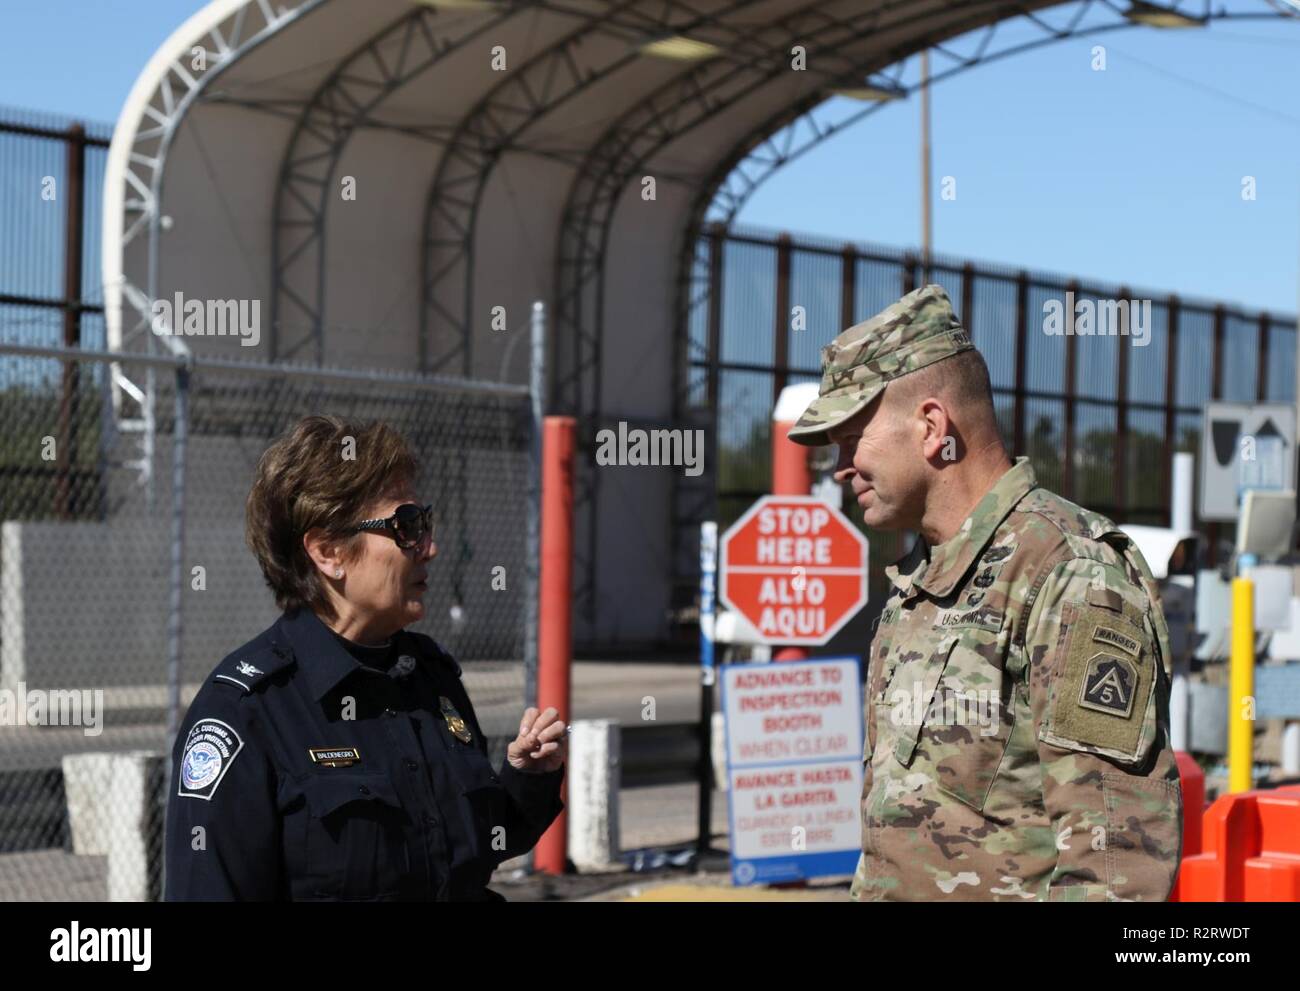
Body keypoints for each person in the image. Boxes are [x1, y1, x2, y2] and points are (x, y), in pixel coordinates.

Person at [787, 285, 1182, 901]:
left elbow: (1116, 864)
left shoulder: (1070, 573)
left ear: (931, 426)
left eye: (853, 436)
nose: (840, 466)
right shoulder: (921, 583)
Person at [164, 415, 565, 901]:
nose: (430, 548)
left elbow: (465, 849)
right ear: (329, 551)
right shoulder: (247, 713)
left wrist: (526, 780)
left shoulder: (430, 677)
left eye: (426, 523)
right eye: (406, 527)